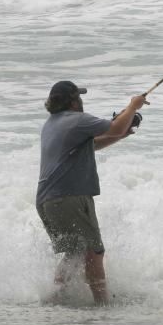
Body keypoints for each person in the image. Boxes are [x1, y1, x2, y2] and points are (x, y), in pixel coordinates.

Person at [36, 80, 147, 306]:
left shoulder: (51, 124)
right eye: (79, 97)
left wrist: (120, 134)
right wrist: (133, 106)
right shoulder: (77, 120)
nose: (82, 100)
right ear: (73, 102)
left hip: (47, 201)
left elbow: (92, 145)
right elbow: (114, 127)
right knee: (93, 253)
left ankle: (55, 299)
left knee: (74, 253)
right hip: (70, 198)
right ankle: (102, 305)